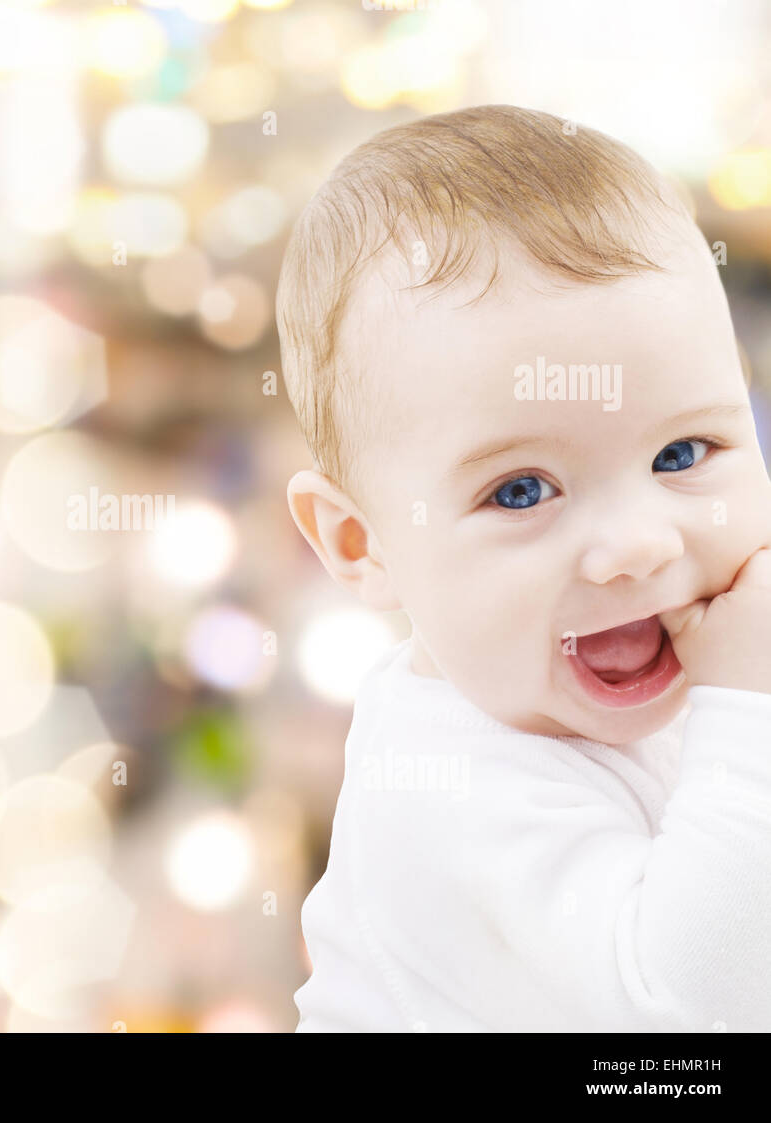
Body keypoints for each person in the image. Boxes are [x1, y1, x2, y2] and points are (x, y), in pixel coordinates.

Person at [277, 104, 771, 1030]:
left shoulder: (630, 676)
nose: (637, 544)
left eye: (681, 454)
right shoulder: (446, 793)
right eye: (520, 491)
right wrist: (753, 714)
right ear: (361, 541)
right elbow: (689, 1030)